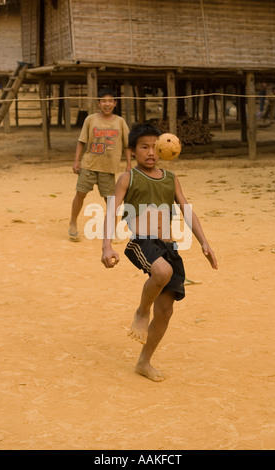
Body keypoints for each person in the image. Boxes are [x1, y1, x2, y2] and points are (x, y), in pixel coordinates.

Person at [101, 123, 218, 382]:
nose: (151, 152)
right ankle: (142, 311)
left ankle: (144, 362)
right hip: (142, 241)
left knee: (165, 311)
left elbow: (187, 209)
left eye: (155, 146)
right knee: (161, 271)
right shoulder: (128, 178)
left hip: (168, 246)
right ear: (133, 151)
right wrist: (106, 245)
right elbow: (112, 210)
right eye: (144, 147)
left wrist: (204, 242)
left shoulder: (171, 178)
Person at [68, 88, 132, 241]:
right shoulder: (90, 119)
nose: (107, 104)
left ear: (115, 103)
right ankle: (73, 223)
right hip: (89, 164)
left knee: (110, 200)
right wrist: (77, 160)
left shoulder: (120, 122)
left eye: (110, 101)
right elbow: (81, 141)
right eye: (103, 101)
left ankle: (112, 230)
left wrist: (129, 164)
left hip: (108, 168)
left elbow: (126, 145)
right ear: (98, 103)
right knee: (80, 193)